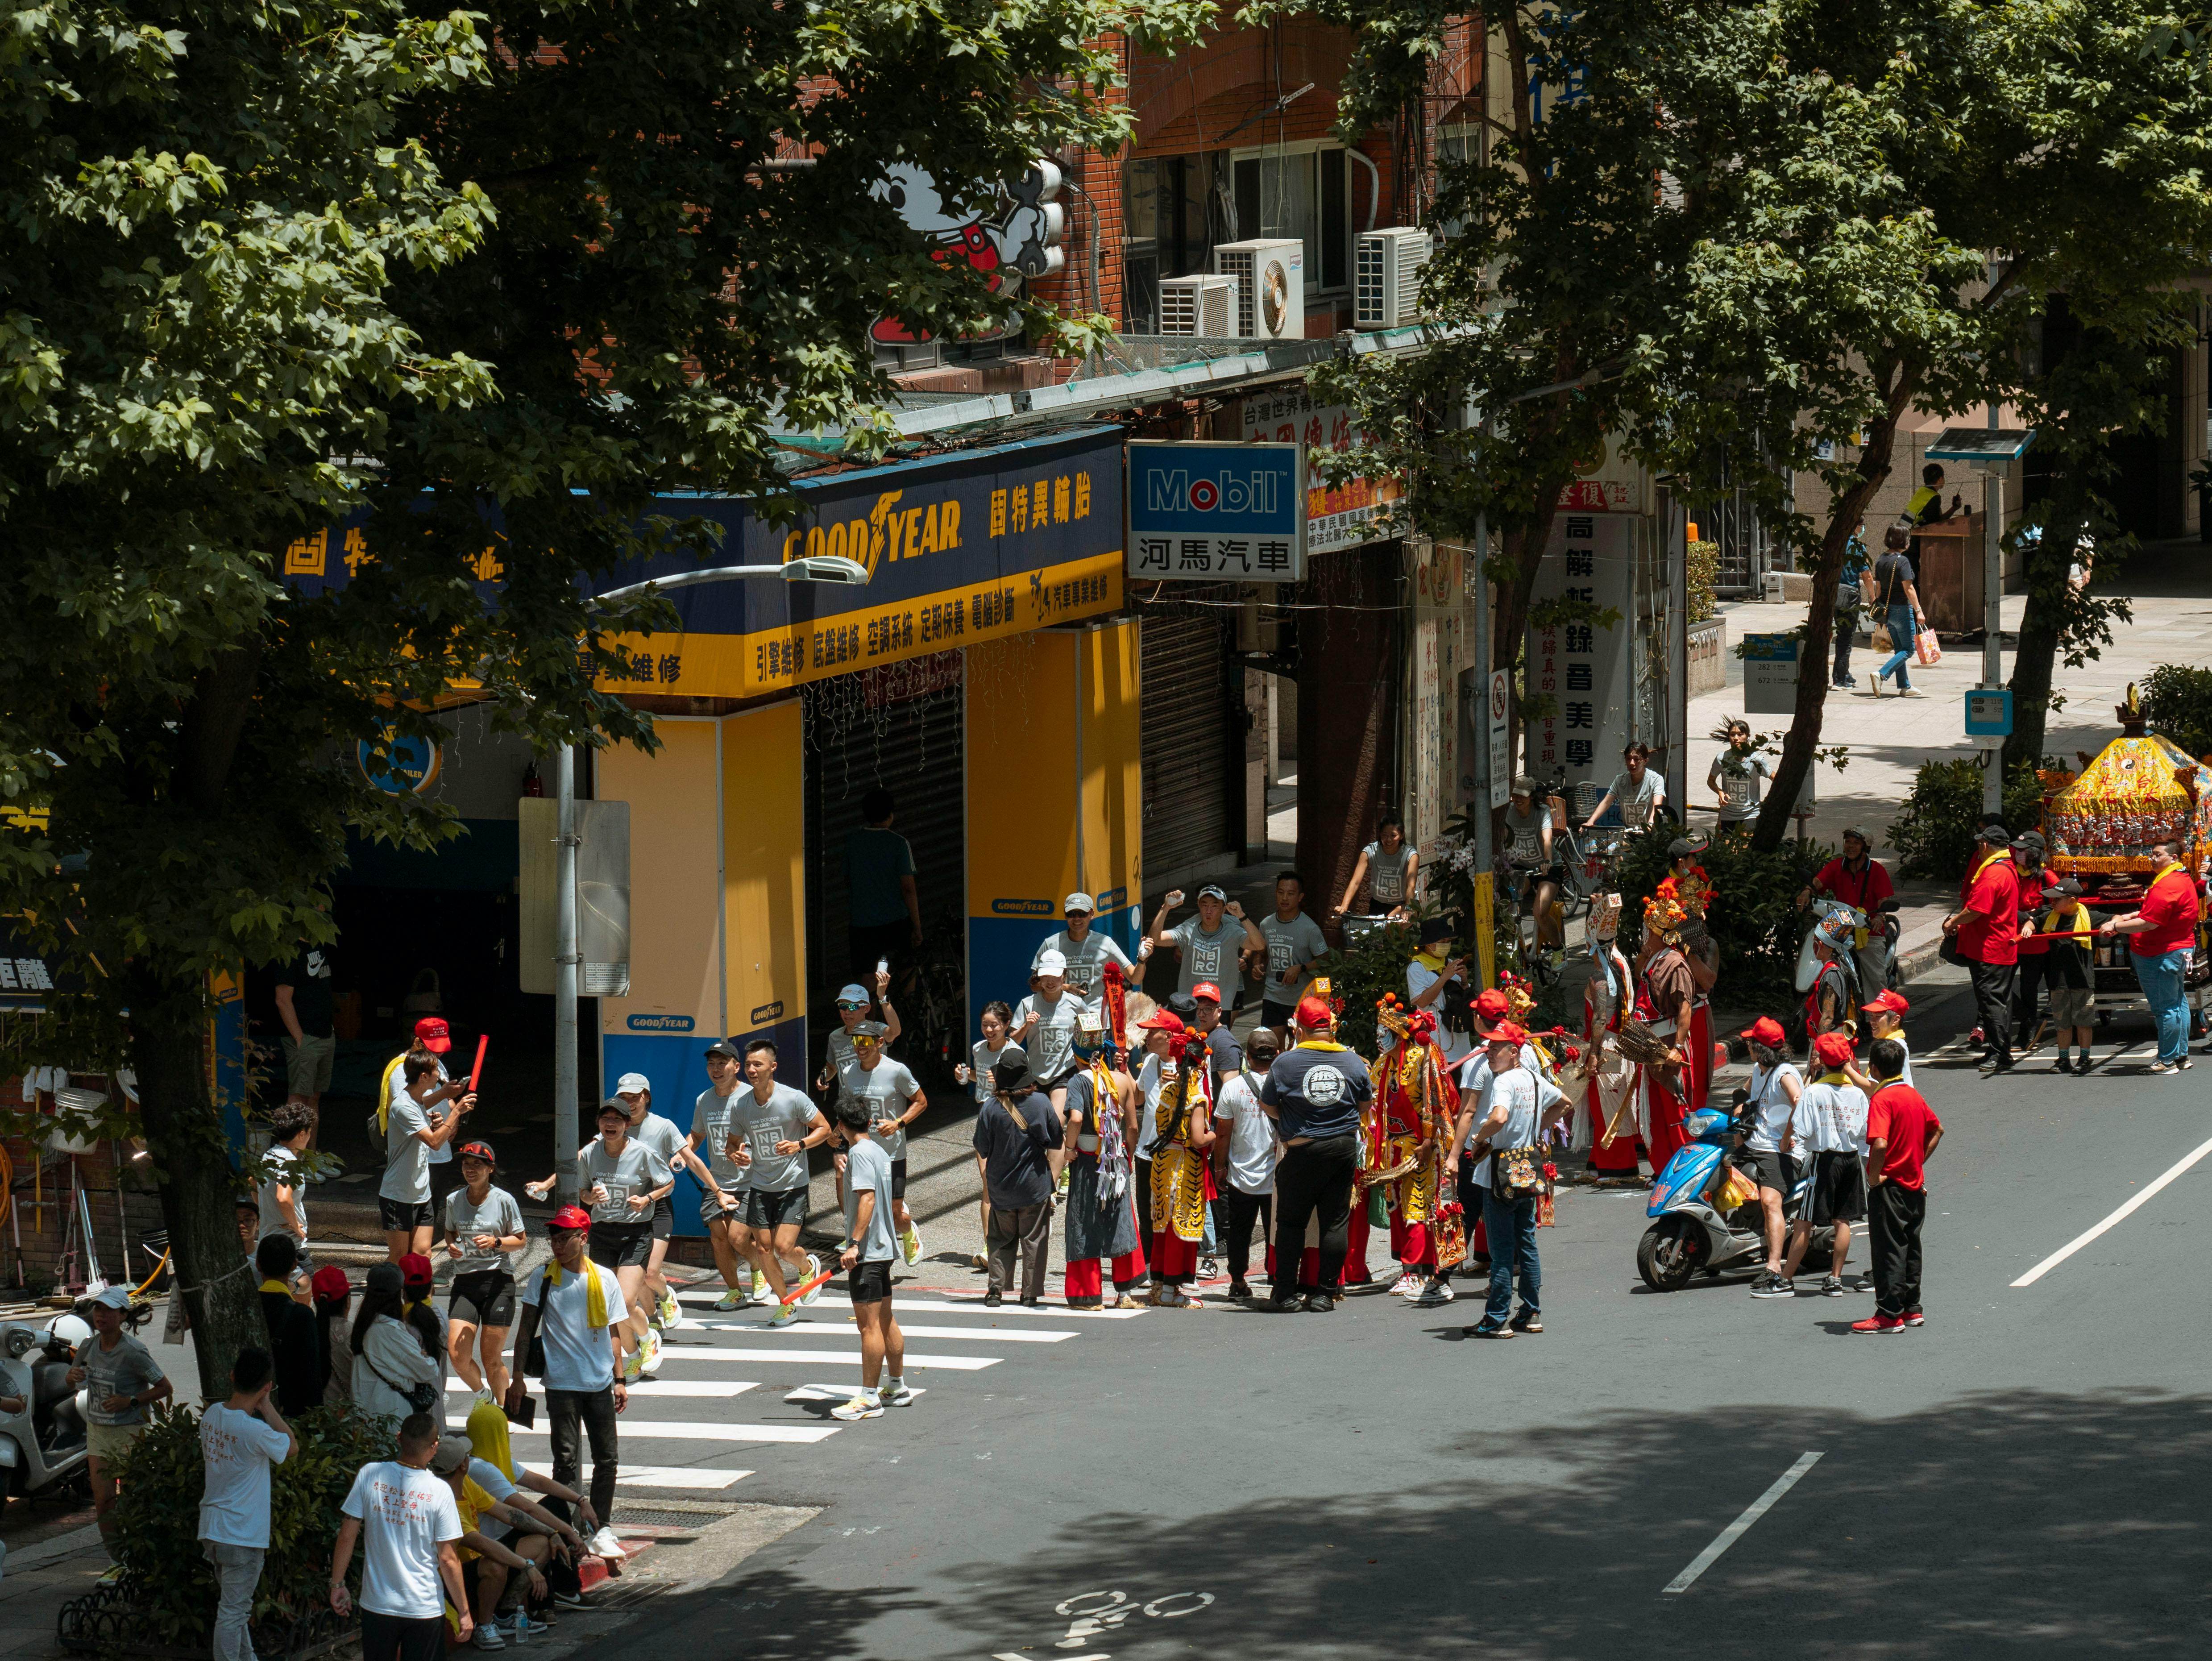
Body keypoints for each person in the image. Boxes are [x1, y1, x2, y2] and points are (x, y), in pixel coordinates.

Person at [504, 1207, 630, 1562]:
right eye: (553, 1238)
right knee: (566, 1461)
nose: (557, 1245)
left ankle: (601, 1526)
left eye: (564, 1238)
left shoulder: (605, 1278)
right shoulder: (543, 1277)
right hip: (560, 1384)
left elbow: (613, 1332)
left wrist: (620, 1379)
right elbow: (525, 1331)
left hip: (600, 1382)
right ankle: (571, 1528)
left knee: (607, 1459)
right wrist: (517, 1379)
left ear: (583, 1238)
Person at [531, 1101, 669, 1381]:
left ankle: (648, 1336)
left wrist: (647, 1199)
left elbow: (668, 1183)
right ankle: (634, 1358)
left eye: (617, 1120)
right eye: (605, 1118)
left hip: (636, 1233)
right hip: (603, 1232)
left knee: (626, 1302)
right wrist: (591, 1198)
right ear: (599, 1123)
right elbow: (583, 1192)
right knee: (608, 1306)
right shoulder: (590, 1154)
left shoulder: (643, 1153)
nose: (611, 1124)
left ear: (627, 1125)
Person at [1448, 1022, 1565, 1337]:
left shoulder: (1504, 1081)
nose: (1489, 1053)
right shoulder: (1532, 1078)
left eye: (1496, 1048)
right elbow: (1564, 1102)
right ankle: (1530, 1311)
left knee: (1501, 1249)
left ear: (1514, 1052)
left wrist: (1478, 1139)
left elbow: (1498, 1117)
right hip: (1526, 1166)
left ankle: (1496, 1317)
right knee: (1525, 1242)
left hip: (1499, 1170)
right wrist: (1537, 1129)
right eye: (1488, 1047)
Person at [328, 1412, 473, 1658]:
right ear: (434, 1446)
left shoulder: (370, 1475)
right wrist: (464, 1611)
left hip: (377, 1604)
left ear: (399, 1438)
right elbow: (448, 1559)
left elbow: (346, 1535)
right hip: (424, 1607)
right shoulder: (440, 1491)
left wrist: (337, 1584)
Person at [1260, 997, 1371, 1313]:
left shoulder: (1286, 1063)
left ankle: (1285, 1294)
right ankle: (1324, 1294)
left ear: (1302, 1029)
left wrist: (1292, 1118)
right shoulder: (1352, 1061)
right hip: (1342, 1147)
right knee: (1335, 1222)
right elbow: (1364, 1106)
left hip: (1302, 1149)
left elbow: (1268, 1105)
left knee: (1291, 1223)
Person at [461, 1399, 597, 1632]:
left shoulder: (497, 1461)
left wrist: (580, 1500)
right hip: (490, 1543)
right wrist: (566, 1532)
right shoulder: (481, 1469)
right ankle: (562, 1590)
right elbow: (525, 1509)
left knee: (556, 1504)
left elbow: (540, 1482)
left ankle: (557, 1593)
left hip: (504, 1533)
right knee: (549, 1526)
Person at [611, 1072, 723, 1336]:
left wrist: (717, 1191)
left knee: (650, 1273)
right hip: (628, 1209)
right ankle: (652, 1320)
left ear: (646, 1098)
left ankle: (666, 1294)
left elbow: (693, 1160)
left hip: (658, 1206)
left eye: (635, 1098)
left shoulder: (663, 1126)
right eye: (623, 1098)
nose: (629, 1104)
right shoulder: (614, 1127)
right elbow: (588, 1156)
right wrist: (549, 1183)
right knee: (635, 1275)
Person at [200, 1347, 295, 1661]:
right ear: (266, 1387)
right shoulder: (256, 1431)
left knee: (235, 1611)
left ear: (232, 1377)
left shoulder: (212, 1416)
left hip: (213, 1529)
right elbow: (292, 1447)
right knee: (233, 1613)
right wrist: (267, 1408)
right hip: (242, 1534)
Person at [731, 1037, 831, 1324]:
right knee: (764, 1250)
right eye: (748, 1064)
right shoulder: (741, 1106)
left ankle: (806, 1267)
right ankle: (786, 1304)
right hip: (760, 1185)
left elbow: (823, 1129)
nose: (751, 1070)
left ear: (772, 1067)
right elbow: (733, 1143)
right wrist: (736, 1154)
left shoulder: (793, 1098)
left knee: (784, 1248)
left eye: (757, 1064)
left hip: (793, 1184)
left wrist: (799, 1145)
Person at [69, 1285, 172, 1563]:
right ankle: (117, 1561)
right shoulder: (89, 1346)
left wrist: (132, 1401)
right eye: (98, 1309)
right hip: (98, 1432)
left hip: (130, 1431)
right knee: (103, 1503)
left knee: (132, 1500)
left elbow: (164, 1387)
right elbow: (74, 1381)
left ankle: (138, 1559)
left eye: (108, 1310)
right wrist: (73, 1376)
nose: (100, 1315)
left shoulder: (134, 1352)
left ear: (123, 1316)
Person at [826, 1097, 914, 1420]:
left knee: (869, 1327)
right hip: (883, 1248)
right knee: (886, 1319)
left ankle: (869, 1398)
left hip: (868, 1252)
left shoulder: (860, 1153)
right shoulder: (877, 1150)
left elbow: (866, 1198)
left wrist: (853, 1244)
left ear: (840, 1125)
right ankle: (897, 1386)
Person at [1369, 1000, 1461, 1308]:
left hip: (1419, 1146)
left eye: (1384, 1031)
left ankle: (1418, 1270)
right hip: (1392, 1146)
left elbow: (1438, 1102)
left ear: (1398, 1034)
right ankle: (1407, 1268)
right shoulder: (1383, 1065)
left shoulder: (1422, 1058)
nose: (1379, 1036)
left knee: (1417, 1208)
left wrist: (1430, 1142)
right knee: (1397, 1208)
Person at [427, 1435, 554, 1652]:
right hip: (449, 1582)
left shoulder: (464, 1483)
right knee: (495, 1564)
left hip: (470, 1568)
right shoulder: (442, 1501)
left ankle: (505, 1615)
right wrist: (527, 1566)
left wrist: (553, 1532)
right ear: (463, 1465)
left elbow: (507, 1512)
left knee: (541, 1543)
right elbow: (482, 1545)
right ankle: (485, 1626)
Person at [1059, 1009, 1147, 1310]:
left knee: (1085, 1221)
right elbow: (1133, 1126)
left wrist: (1069, 1148)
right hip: (1116, 1159)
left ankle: (1089, 1295)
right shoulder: (1121, 1079)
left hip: (1087, 1160)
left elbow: (1075, 1119)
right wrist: (1128, 1157)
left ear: (1077, 1054)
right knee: (1118, 1220)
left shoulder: (1077, 1082)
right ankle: (1124, 1294)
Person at [1856, 1038, 1945, 1334]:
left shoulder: (1882, 1099)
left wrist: (1874, 1176)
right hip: (1913, 1184)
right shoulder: (1912, 1095)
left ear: (1874, 1068)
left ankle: (1888, 1313)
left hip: (1890, 1186)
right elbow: (1937, 1130)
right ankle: (1911, 1308)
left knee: (1888, 1249)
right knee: (1910, 1247)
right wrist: (1917, 1162)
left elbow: (1879, 1143)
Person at [2099, 835, 2201, 1073]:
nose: (2152, 859)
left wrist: (2115, 926)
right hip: (2175, 949)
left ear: (2173, 857)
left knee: (2166, 1008)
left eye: (2158, 855)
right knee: (2177, 1003)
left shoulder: (2168, 884)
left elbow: (2149, 924)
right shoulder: (2180, 878)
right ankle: (2180, 1056)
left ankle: (2166, 1061)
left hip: (2161, 953)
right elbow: (2151, 914)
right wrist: (2129, 917)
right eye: (2152, 854)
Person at [1781, 1031, 1870, 1296]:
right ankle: (1835, 1279)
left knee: (1804, 1222)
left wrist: (1789, 1140)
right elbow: (1864, 1131)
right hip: (1851, 1159)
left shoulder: (1814, 1091)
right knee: (1842, 1220)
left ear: (1822, 1059)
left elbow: (1803, 1129)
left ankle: (1785, 1280)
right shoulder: (1857, 1094)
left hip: (1825, 1161)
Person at [972, 1048, 1061, 1307]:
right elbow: (1055, 1140)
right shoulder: (1042, 1103)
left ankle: (996, 1290)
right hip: (1034, 1186)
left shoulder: (990, 1107)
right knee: (1034, 1239)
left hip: (1001, 1187)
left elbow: (983, 1146)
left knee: (1000, 1238)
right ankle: (1030, 1294)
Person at [442, 1141, 527, 1404]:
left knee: (491, 1359)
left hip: (498, 1283)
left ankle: (503, 1410)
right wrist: (451, 1247)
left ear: (490, 1169)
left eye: (477, 1165)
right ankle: (484, 1396)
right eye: (466, 1165)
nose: (470, 1170)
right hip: (465, 1283)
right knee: (457, 1355)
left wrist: (496, 1243)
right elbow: (450, 1232)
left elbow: (522, 1240)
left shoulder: (504, 1200)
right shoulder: (454, 1200)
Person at [836, 1021, 926, 1265]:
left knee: (895, 1214)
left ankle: (909, 1233)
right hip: (862, 1153)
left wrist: (898, 1123)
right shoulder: (848, 1073)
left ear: (879, 1043)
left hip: (891, 1153)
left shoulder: (897, 1071)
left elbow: (920, 1101)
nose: (860, 1047)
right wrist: (838, 1138)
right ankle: (863, 1249)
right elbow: (848, 1109)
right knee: (861, 1205)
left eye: (865, 1041)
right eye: (856, 1041)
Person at [380, 1054, 476, 1262]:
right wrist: (456, 1112)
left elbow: (433, 1134)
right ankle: (385, 1292)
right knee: (398, 1256)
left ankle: (418, 1295)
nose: (439, 1075)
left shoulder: (418, 1102)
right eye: (436, 1072)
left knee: (423, 1254)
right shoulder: (403, 1106)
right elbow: (434, 1142)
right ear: (424, 1077)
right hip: (398, 1194)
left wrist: (441, 1109)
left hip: (422, 1193)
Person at [1945, 822, 2022, 1075]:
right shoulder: (2005, 869)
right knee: (1996, 1001)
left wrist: (1954, 921)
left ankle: (2001, 1053)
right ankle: (1997, 1049)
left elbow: (1977, 909)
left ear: (1986, 845)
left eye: (1980, 844)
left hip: (1990, 949)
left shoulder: (1994, 873)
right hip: (1996, 947)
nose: (1978, 849)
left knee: (1992, 1003)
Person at [1736, 1017, 1806, 1299]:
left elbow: (1799, 1101)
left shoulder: (1785, 1074)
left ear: (1760, 1048)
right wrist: (1737, 1118)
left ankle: (1774, 1266)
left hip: (1780, 1151)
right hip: (1756, 1144)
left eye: (1751, 1042)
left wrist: (1788, 1134)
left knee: (1769, 1201)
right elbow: (1744, 1095)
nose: (1748, 1045)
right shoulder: (1758, 1069)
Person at [1147, 1030, 1218, 1308]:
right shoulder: (1197, 1099)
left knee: (1163, 1224)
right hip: (1185, 1166)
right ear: (1201, 1066)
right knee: (1180, 1225)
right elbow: (1199, 1138)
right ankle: (1170, 1292)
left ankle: (1158, 1287)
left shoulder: (1168, 1091)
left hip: (1163, 1165)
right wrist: (1215, 1134)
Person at [1212, 1026, 1280, 1301]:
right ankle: (1279, 1280)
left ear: (1248, 1058)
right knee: (1279, 1231)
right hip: (1278, 1175)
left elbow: (1223, 1133)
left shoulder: (1232, 1088)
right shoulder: (1286, 1083)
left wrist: (1219, 1167)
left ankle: (1238, 1283)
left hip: (1241, 1176)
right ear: (1277, 1055)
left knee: (1240, 1232)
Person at [1635, 892, 1698, 1173]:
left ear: (1653, 931)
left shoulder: (1676, 963)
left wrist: (1679, 1048)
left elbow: (1685, 1008)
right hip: (1650, 1046)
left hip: (1669, 1046)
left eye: (1647, 929)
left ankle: (1686, 1170)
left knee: (1675, 1112)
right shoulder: (1654, 958)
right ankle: (1663, 1171)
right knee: (1656, 1114)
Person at [689, 1040, 755, 1311]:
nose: (716, 1069)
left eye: (722, 1063)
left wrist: (749, 1153)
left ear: (736, 1067)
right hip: (717, 1180)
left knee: (738, 1238)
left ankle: (757, 1265)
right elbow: (697, 1135)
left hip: (752, 1180)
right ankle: (735, 1292)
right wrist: (681, 1153)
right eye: (711, 1064)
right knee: (718, 1237)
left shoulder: (752, 1096)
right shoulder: (704, 1100)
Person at [1579, 895, 1641, 1181]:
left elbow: (1601, 1019)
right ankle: (1598, 1161)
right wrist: (1602, 906)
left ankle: (1618, 1166)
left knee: (1607, 1106)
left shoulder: (1600, 974)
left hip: (1607, 1045)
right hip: (1622, 1041)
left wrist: (1593, 1054)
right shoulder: (1620, 960)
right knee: (1610, 1103)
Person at [1800, 828, 1894, 1013]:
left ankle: (1882, 1017)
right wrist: (1806, 892)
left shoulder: (1877, 870)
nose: (1850, 846)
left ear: (1865, 847)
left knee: (1876, 977)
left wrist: (1879, 917)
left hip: (1868, 929)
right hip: (1840, 924)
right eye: (1848, 842)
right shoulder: (1837, 866)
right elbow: (1818, 882)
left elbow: (1884, 900)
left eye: (1856, 843)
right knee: (1817, 947)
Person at [956, 1001, 1017, 1270]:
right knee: (987, 1181)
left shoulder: (1013, 1052)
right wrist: (963, 1076)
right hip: (984, 1118)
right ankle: (991, 1245)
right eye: (985, 1025)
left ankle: (1008, 1240)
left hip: (1007, 1119)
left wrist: (1002, 1086)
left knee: (1001, 1183)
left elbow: (1026, 1089)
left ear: (1006, 1025)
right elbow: (978, 1077)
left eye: (995, 1025)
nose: (990, 1030)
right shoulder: (979, 1049)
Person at [844, 786, 922, 980]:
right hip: (896, 923)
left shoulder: (852, 842)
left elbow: (848, 880)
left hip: (863, 925)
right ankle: (904, 1011)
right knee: (906, 972)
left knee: (869, 977)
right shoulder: (899, 843)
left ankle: (872, 1011)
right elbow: (909, 889)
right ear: (891, 814)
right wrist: (917, 927)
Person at [350, 1261, 442, 1424]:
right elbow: (428, 1370)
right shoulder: (391, 1331)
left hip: (366, 1413)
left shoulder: (364, 1325)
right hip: (391, 1417)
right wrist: (424, 1357)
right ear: (400, 1292)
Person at [1149, 884, 1267, 1009]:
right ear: (1199, 906)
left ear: (1223, 910)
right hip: (1190, 1006)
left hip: (1220, 1007)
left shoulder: (1232, 931)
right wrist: (1165, 908)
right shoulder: (1188, 928)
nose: (1209, 911)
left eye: (1215, 906)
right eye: (1205, 905)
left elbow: (1259, 945)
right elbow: (1155, 939)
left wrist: (1242, 916)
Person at [1030, 893, 1145, 1002]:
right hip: (1062, 1016)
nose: (1077, 919)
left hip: (1095, 1017)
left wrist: (1142, 959)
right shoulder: (1051, 944)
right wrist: (1064, 988)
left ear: (1092, 914)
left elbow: (1135, 979)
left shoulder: (1105, 943)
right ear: (1065, 916)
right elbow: (1034, 985)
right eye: (1072, 914)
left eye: (1082, 914)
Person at [273, 938, 338, 1130]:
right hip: (305, 1038)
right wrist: (300, 1039)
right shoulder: (288, 949)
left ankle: (311, 1157)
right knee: (298, 1099)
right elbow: (282, 1000)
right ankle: (290, 1157)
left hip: (325, 1034)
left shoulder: (318, 942)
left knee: (314, 1098)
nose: (324, 908)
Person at [255, 1233, 323, 1416]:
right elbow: (311, 1375)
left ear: (258, 1264)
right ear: (294, 1266)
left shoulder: (245, 1309)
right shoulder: (303, 1315)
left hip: (249, 1408)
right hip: (291, 1411)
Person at [1255, 871, 1329, 1032]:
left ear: (1300, 897)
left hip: (1300, 1000)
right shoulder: (1266, 924)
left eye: (1290, 894)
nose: (1285, 898)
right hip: (1272, 996)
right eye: (1281, 893)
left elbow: (1325, 960)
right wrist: (1257, 965)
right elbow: (1261, 953)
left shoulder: (1310, 929)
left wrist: (1301, 968)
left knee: (1295, 1048)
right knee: (1273, 1046)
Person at [814, 972, 902, 1102]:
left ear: (866, 1009)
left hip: (876, 1102)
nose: (847, 1012)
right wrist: (823, 1077)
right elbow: (832, 1066)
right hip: (848, 1107)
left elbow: (895, 1032)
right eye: (843, 1006)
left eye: (853, 1006)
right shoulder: (835, 1037)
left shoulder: (876, 1029)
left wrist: (882, 996)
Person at [2038, 879, 2096, 1073]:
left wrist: (2115, 924)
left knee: (2083, 1022)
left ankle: (2085, 1059)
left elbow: (2116, 918)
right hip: (2058, 979)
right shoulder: (2049, 916)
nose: (2052, 903)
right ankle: (2064, 1060)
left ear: (2072, 900)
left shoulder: (2089, 916)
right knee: (2062, 1023)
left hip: (2082, 978)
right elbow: (2030, 918)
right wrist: (2029, 925)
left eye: (2058, 899)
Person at [1864, 524, 1929, 698]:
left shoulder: (1881, 560)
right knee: (1908, 650)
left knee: (1900, 648)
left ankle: (1905, 686)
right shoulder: (1903, 561)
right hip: (1901, 609)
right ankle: (1882, 674)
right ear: (1904, 541)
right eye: (1908, 538)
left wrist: (1878, 610)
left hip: (1886, 610)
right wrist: (1919, 611)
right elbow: (1909, 589)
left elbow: (1878, 587)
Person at [1012, 950, 1092, 1088]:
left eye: (1055, 976)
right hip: (1035, 1074)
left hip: (1066, 1071)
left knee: (1058, 1109)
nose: (1050, 981)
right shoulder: (1028, 1004)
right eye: (1045, 976)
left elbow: (1090, 1035)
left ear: (1064, 976)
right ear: (1039, 977)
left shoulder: (1076, 1003)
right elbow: (1013, 1042)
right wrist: (1026, 1026)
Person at [1502, 780, 1564, 954]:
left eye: (1522, 795)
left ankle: (1559, 950)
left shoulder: (1542, 811)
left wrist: (1547, 861)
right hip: (1521, 866)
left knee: (1540, 912)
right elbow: (1502, 836)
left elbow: (1547, 839)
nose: (1518, 799)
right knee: (1509, 906)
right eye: (1515, 795)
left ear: (1532, 797)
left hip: (1547, 867)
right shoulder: (1509, 812)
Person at [1402, 919, 1474, 1067]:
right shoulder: (1417, 967)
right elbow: (1421, 1002)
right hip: (1436, 1044)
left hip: (1462, 1044)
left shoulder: (1451, 963)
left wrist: (1465, 981)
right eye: (1442, 941)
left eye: (1448, 941)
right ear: (1428, 944)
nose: (1446, 944)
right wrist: (1445, 977)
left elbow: (1464, 997)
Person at [1335, 811, 1420, 922]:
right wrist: (1344, 907)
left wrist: (1409, 908)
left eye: (1393, 835)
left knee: (1395, 931)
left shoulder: (1411, 855)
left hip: (1405, 904)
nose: (1389, 840)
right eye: (1385, 835)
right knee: (1374, 937)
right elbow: (1355, 882)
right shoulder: (1370, 851)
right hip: (1379, 905)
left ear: (1402, 835)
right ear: (1380, 835)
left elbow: (1411, 886)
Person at [258, 1101, 315, 1261]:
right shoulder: (289, 1162)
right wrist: (296, 1226)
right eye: (309, 1132)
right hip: (291, 1246)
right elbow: (283, 1198)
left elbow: (252, 1182)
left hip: (266, 1242)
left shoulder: (269, 1155)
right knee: (305, 1284)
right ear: (302, 1134)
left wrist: (264, 1213)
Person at [1804, 908, 1859, 1053]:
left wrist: (1819, 1049)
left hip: (1831, 1042)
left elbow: (1828, 1016)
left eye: (1815, 941)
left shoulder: (1831, 975)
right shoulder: (1831, 970)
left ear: (1820, 945)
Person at [1584, 742, 1667, 831]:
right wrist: (1591, 821)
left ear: (1645, 761)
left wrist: (1650, 825)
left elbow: (1657, 806)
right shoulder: (1620, 780)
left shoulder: (1656, 779)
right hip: (1630, 831)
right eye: (1629, 759)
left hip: (1653, 832)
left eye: (1637, 759)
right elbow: (1606, 802)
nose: (1632, 763)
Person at [1850, 989, 1916, 1092]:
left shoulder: (1893, 1046)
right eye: (1872, 1016)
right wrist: (1855, 1071)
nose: (1872, 1021)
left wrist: (1847, 1069)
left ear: (1895, 1020)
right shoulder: (1895, 1043)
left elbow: (1874, 1089)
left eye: (1878, 1016)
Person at [1708, 720, 1771, 828]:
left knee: (1745, 844)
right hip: (1727, 813)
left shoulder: (1757, 760)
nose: (1736, 738)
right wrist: (1720, 792)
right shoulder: (1721, 758)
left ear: (1748, 736)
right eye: (1732, 735)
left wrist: (1768, 801)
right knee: (1726, 844)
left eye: (1740, 734)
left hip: (1751, 813)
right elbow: (1711, 781)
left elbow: (1777, 779)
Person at [1832, 519, 1870, 690]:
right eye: (1862, 525)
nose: (1863, 529)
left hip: (1834, 593)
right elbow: (1867, 575)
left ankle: (1845, 673)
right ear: (1856, 527)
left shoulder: (1835, 542)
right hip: (1851, 594)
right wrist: (1873, 596)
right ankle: (1839, 679)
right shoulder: (1857, 547)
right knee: (1846, 638)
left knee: (1842, 633)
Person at [313, 1264, 356, 1405]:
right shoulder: (354, 1334)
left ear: (315, 1302)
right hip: (348, 1417)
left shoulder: (308, 1332)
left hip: (313, 1417)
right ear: (348, 1302)